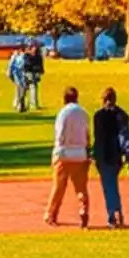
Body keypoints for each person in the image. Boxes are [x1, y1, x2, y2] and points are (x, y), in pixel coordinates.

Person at [45, 87, 90, 229]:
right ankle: (83, 209)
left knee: (59, 187)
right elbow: (87, 134)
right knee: (81, 187)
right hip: (80, 154)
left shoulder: (63, 113)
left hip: (64, 153)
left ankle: (51, 214)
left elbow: (60, 134)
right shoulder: (83, 113)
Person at [93, 87, 128, 228]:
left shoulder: (99, 116)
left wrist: (94, 154)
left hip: (104, 155)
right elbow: (125, 135)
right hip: (116, 155)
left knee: (109, 186)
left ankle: (113, 214)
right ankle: (117, 211)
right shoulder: (122, 115)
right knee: (112, 184)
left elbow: (98, 138)